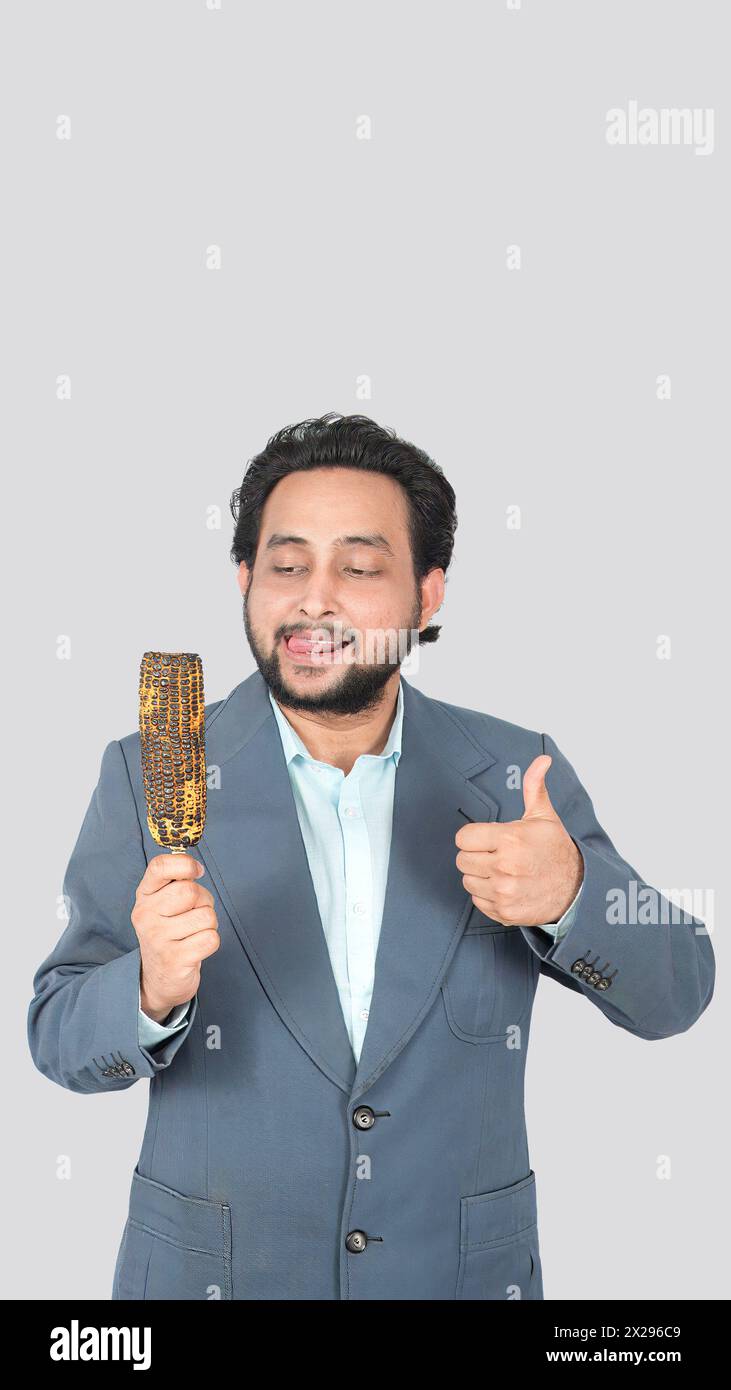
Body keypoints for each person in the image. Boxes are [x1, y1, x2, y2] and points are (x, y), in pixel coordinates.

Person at [27, 412, 715, 1301]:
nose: (315, 599)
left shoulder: (513, 775)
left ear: (427, 596)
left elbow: (678, 992)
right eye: (285, 566)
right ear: (244, 581)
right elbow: (58, 1035)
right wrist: (149, 988)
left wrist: (572, 895)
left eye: (357, 568)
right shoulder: (150, 773)